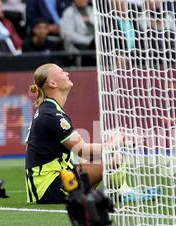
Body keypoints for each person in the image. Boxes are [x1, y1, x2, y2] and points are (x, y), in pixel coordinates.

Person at [25, 63, 129, 204]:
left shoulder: (50, 110)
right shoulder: (51, 115)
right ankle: (121, 193)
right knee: (111, 158)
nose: (67, 73)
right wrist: (117, 142)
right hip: (47, 187)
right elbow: (83, 150)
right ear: (52, 83)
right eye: (62, 72)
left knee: (98, 157)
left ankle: (110, 192)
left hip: (53, 180)